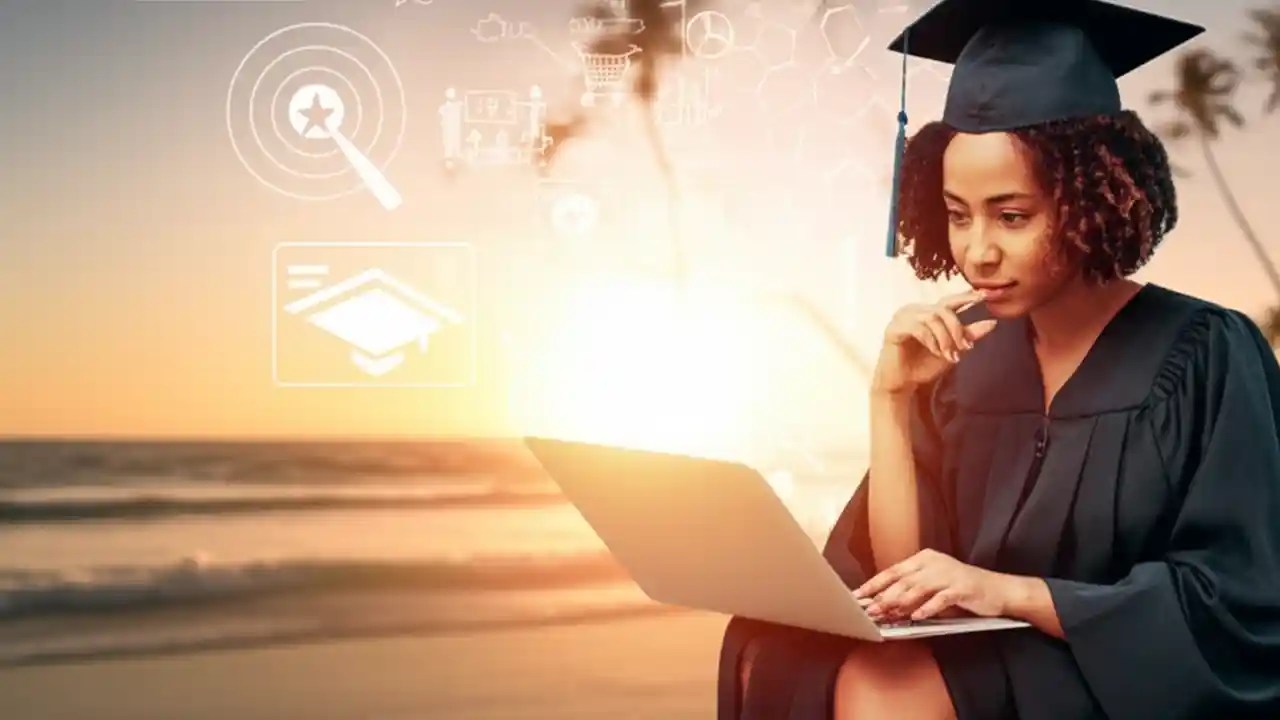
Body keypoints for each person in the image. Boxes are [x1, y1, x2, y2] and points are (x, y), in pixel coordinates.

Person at [717, 0, 1280, 718]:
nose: (977, 251)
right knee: (785, 654)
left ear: (1094, 202)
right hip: (988, 663)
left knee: (890, 688)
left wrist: (1010, 593)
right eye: (958, 214)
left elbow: (1237, 603)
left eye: (1012, 216)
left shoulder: (1206, 353)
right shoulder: (963, 365)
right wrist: (890, 401)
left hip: (1127, 683)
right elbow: (903, 580)